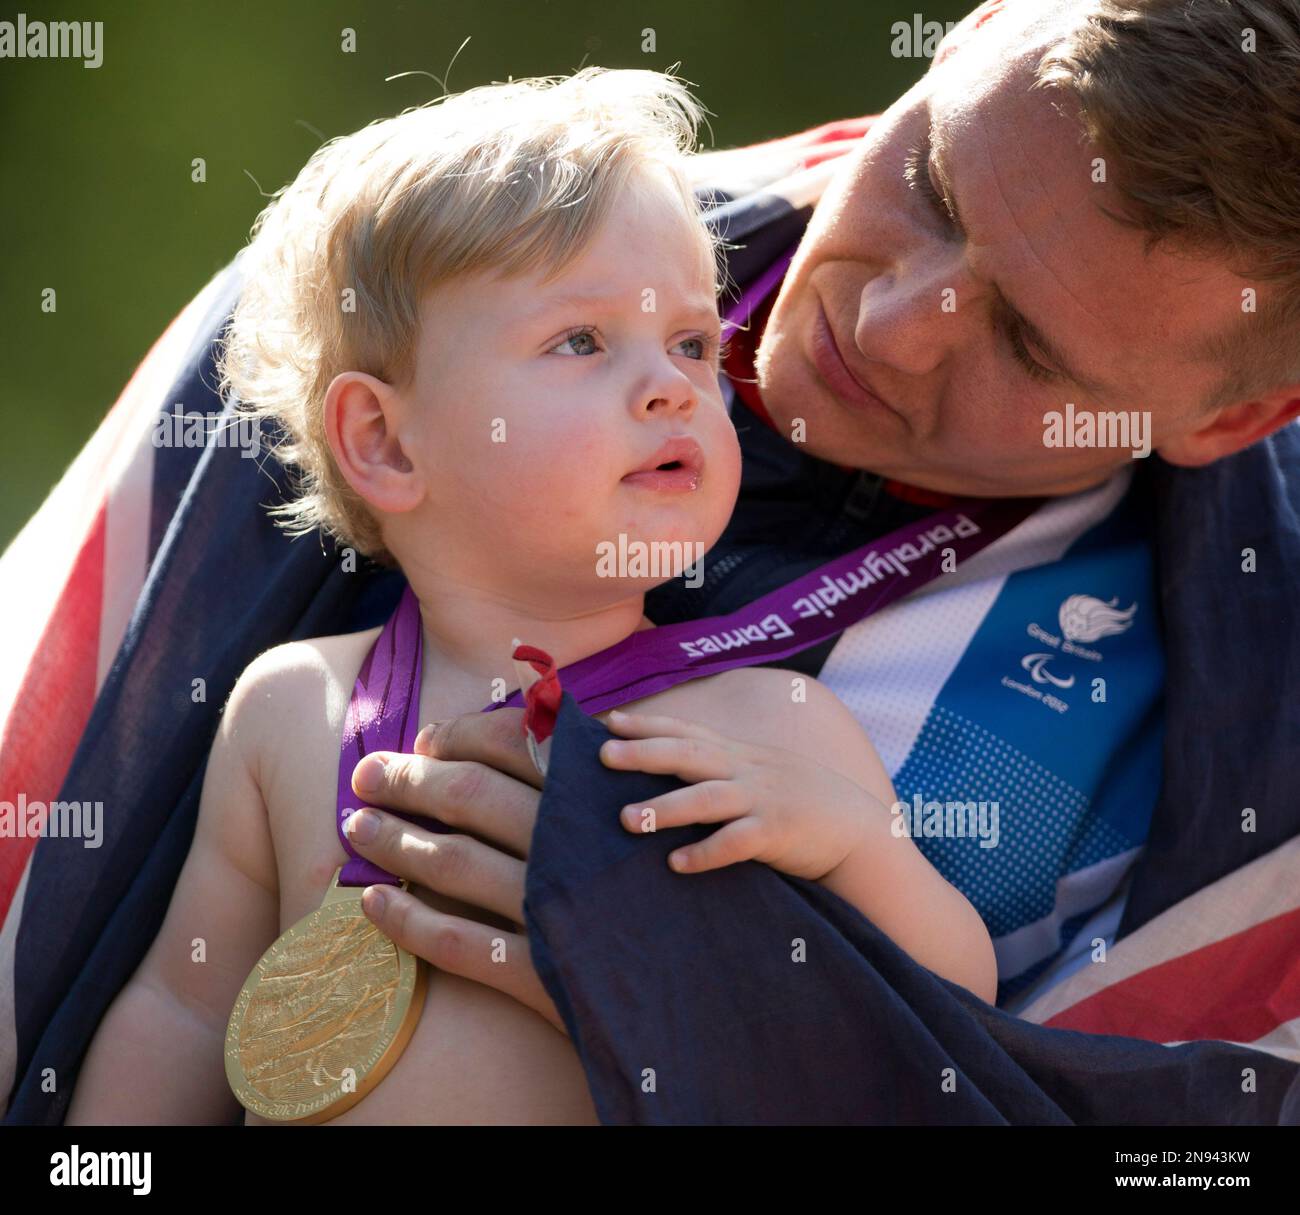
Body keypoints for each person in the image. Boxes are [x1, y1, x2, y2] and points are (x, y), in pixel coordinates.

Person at [325, 0, 1300, 1036]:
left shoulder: (1250, 819)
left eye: (1026, 345)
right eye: (932, 190)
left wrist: (716, 1043)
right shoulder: (405, 253)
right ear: (970, 33)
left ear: (1235, 417)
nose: (884, 329)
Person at [64, 66, 1000, 1127]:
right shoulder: (290, 706)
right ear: (381, 440)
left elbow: (947, 1016)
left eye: (693, 342)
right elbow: (183, 1009)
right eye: (581, 341)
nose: (674, 386)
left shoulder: (768, 727)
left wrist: (855, 845)